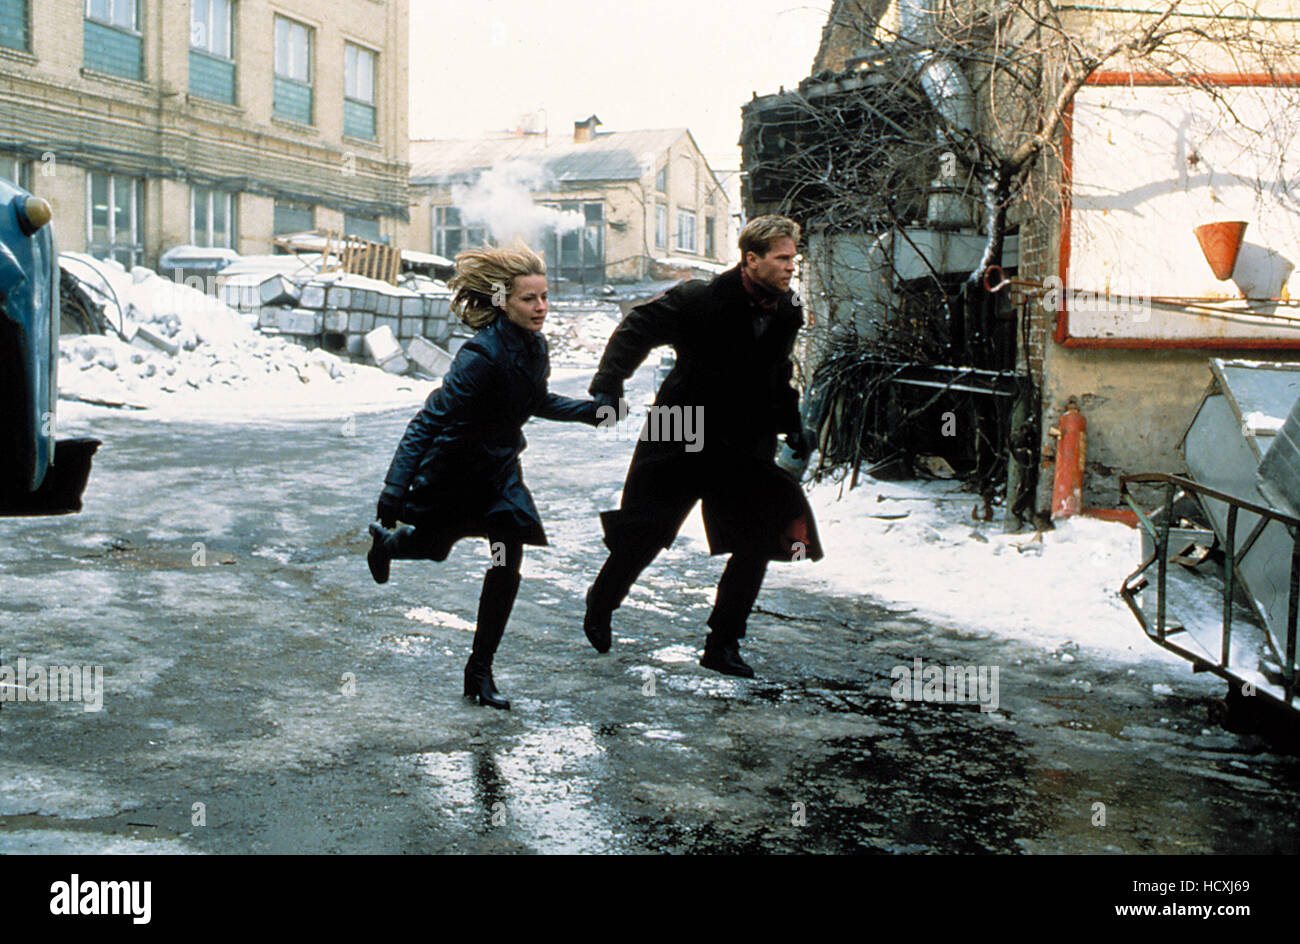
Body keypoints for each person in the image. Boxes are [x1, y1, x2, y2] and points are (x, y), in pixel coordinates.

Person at [583, 215, 824, 678]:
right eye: (782, 258)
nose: (792, 266)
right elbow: (637, 328)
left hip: (744, 435)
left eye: (794, 258)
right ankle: (603, 600)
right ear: (751, 259)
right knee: (646, 530)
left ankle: (723, 643)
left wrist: (790, 425)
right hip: (683, 426)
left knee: (757, 539)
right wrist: (609, 384)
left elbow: (778, 372)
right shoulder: (700, 298)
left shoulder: (788, 309)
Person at [367, 244, 600, 709]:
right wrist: (394, 490)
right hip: (454, 473)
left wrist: (589, 413)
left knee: (505, 560)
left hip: (499, 476)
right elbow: (427, 421)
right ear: (502, 301)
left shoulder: (535, 346)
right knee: (433, 548)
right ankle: (390, 544)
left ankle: (480, 670)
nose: (541, 308)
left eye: (545, 297)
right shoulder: (480, 356)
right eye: (529, 300)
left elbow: (533, 401)